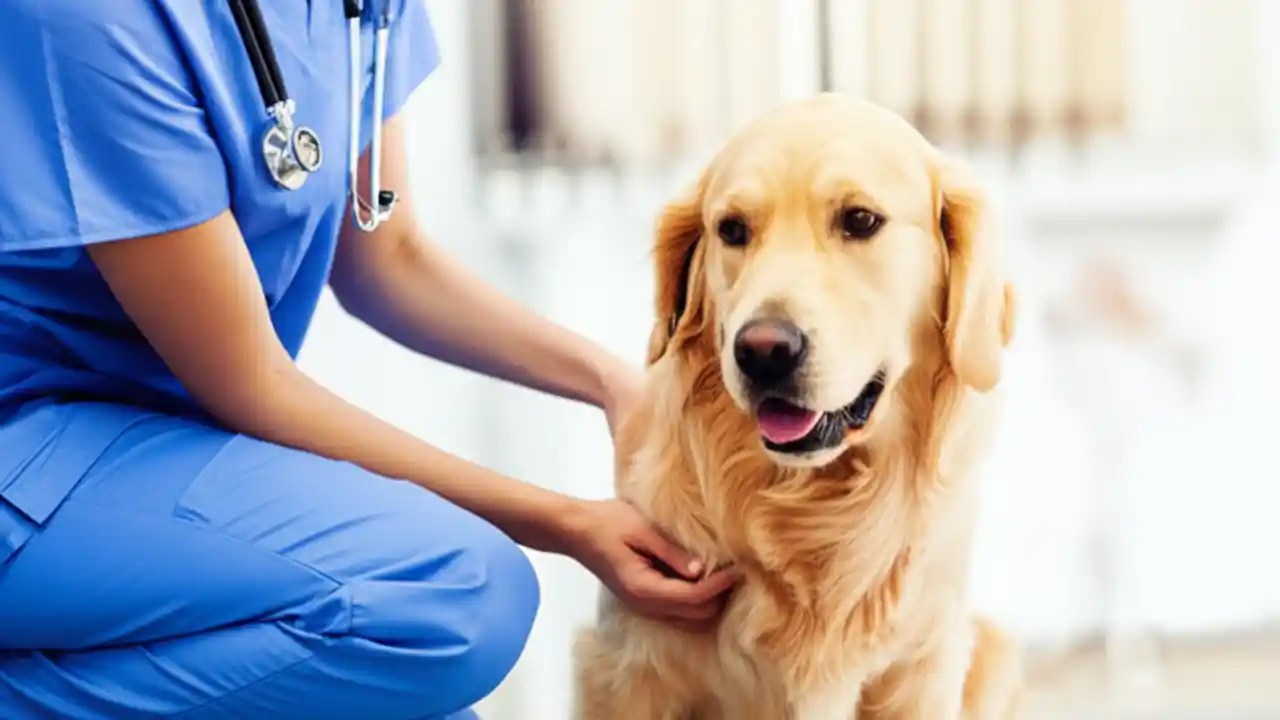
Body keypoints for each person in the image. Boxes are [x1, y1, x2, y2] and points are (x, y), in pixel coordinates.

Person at [0, 1, 738, 717]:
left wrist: (613, 383)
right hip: (32, 457)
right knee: (459, 595)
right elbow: (251, 383)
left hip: (172, 450)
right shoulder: (92, 15)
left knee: (429, 701)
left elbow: (387, 260)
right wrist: (570, 523)